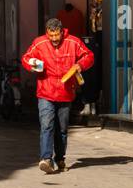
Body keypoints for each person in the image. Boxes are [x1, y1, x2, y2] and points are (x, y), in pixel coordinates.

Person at [21, 18, 94, 174]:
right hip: (45, 91)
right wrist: (33, 64)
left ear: (62, 32)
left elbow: (89, 56)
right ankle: (46, 159)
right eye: (51, 35)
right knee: (46, 125)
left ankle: (60, 159)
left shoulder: (73, 42)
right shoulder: (39, 43)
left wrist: (79, 65)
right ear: (47, 33)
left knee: (62, 128)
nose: (54, 39)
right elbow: (26, 58)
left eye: (56, 35)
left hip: (66, 92)